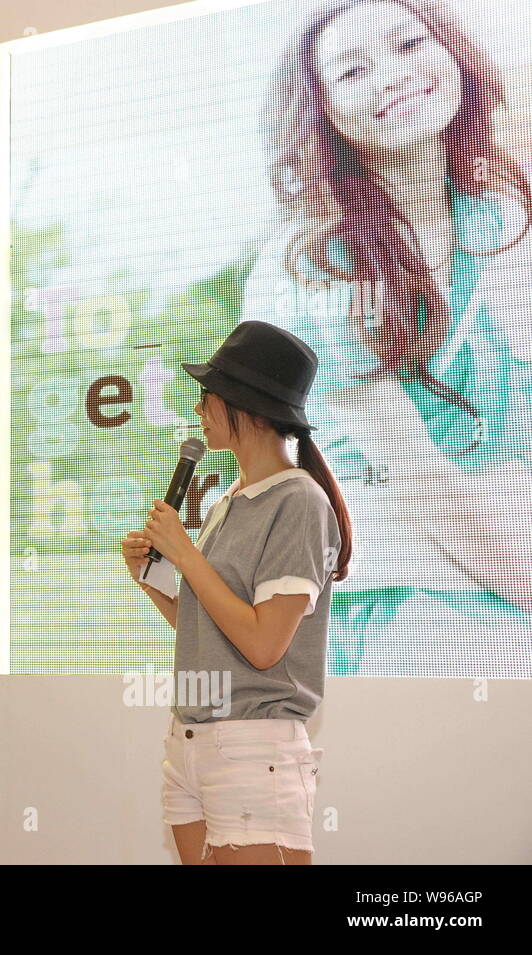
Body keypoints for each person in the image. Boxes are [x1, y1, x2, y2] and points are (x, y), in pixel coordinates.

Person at [243, 0, 532, 676]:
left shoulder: (490, 210)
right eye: (352, 73)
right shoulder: (319, 261)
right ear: (322, 115)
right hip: (403, 583)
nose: (393, 75)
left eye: (409, 44)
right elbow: (421, 481)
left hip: (497, 538)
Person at [123, 321, 353, 864]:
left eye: (209, 394)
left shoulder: (299, 501)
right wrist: (154, 581)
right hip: (190, 742)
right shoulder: (230, 499)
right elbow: (210, 628)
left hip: (253, 750)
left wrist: (184, 555)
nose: (200, 407)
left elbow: (264, 644)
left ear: (244, 405)